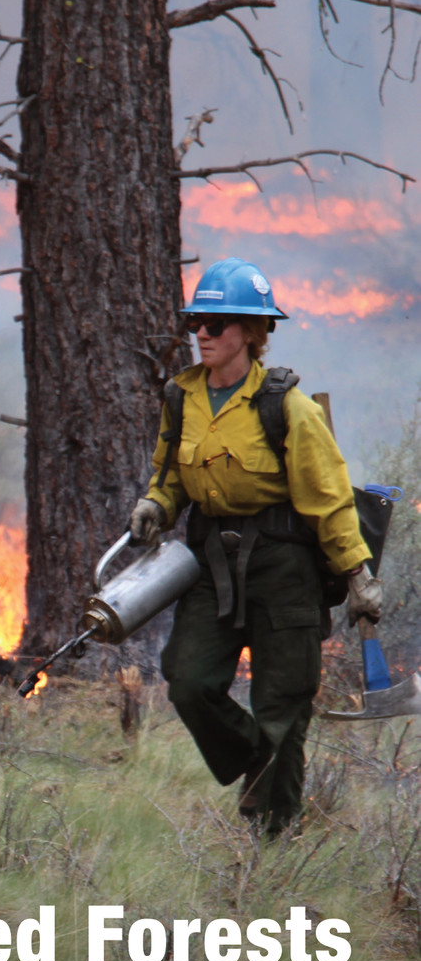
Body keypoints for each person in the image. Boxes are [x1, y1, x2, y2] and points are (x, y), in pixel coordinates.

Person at [129, 257, 382, 837]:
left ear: (251, 332)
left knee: (284, 701)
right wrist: (156, 505)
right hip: (212, 562)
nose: (202, 335)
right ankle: (255, 761)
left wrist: (358, 575)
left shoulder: (285, 405)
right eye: (197, 322)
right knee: (188, 680)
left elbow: (329, 500)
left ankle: (271, 840)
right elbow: (169, 475)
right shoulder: (181, 397)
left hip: (284, 564)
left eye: (216, 325)